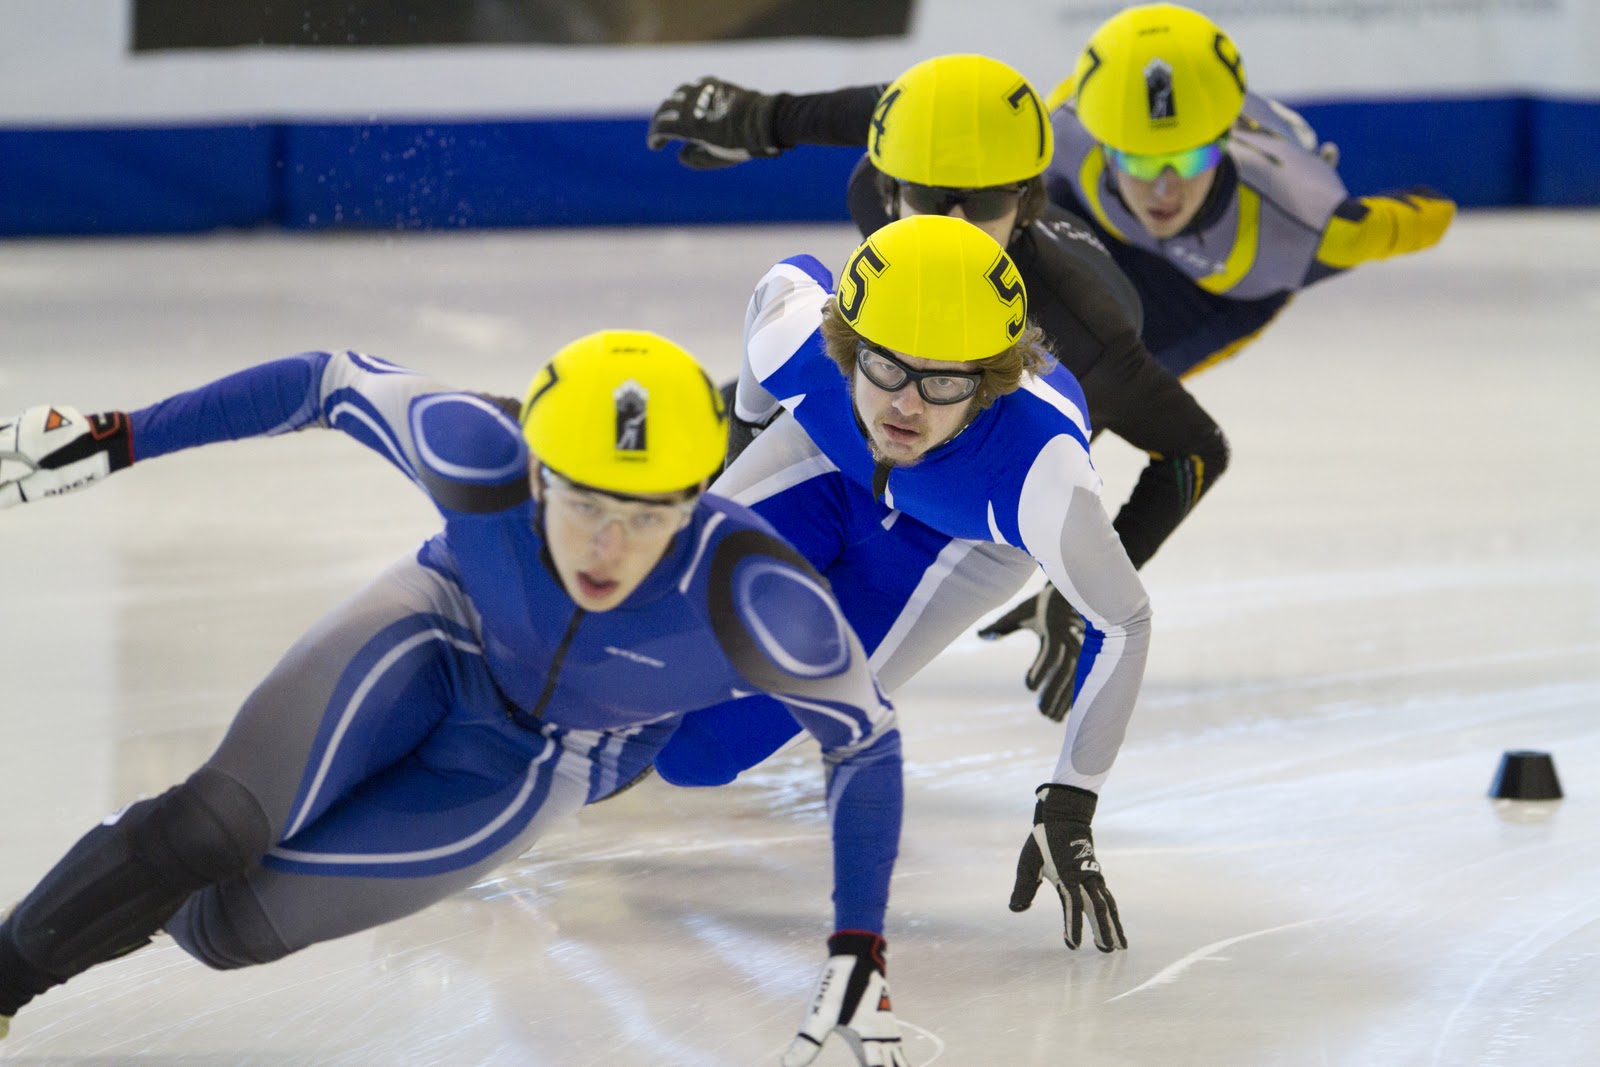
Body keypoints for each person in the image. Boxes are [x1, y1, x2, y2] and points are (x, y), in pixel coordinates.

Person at [0, 333, 910, 1066]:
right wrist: (120, 435)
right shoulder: (482, 455)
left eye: (648, 517)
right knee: (210, 827)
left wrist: (857, 946)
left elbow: (864, 745)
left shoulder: (754, 595)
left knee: (230, 928)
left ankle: (138, 865)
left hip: (549, 757)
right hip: (437, 626)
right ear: (536, 471)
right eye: (583, 503)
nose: (607, 546)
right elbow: (324, 381)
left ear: (696, 504)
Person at [648, 53, 1227, 723]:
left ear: (1024, 201)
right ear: (893, 189)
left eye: (982, 203)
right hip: (905, 409)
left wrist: (1074, 589)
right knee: (743, 404)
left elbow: (1196, 448)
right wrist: (764, 120)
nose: (950, 223)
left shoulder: (1087, 335)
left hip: (982, 487)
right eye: (926, 198)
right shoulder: (880, 189)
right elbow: (913, 113)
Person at [651, 214, 1151, 955]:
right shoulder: (803, 343)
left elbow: (1124, 620)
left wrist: (1069, 805)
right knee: (651, 615)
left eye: (944, 380)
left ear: (992, 384)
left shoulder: (1040, 472)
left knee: (693, 754)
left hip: (958, 546)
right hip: (827, 460)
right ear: (845, 347)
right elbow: (778, 285)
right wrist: (750, 435)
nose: (906, 406)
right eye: (885, 367)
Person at [1040, 2, 1456, 378]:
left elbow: (1380, 227)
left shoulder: (1298, 222)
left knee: (1091, 387)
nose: (1164, 190)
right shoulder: (1065, 126)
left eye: (1189, 160)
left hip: (1212, 296)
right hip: (1099, 224)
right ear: (1106, 149)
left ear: (1222, 145)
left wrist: (1436, 209)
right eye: (1140, 162)